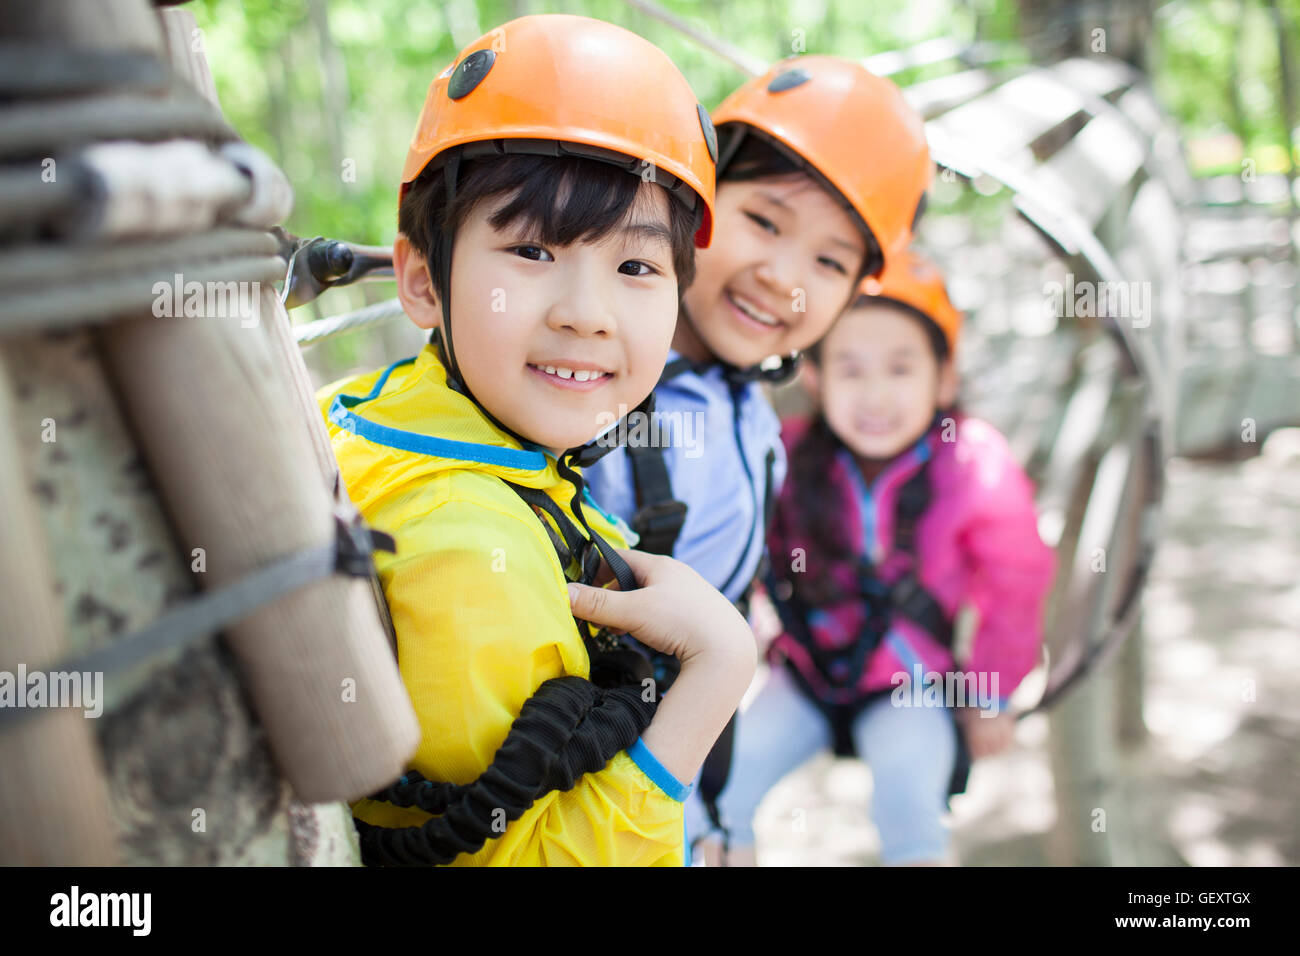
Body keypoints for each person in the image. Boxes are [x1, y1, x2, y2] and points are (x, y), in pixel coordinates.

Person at [316, 14, 755, 866]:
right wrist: (717, 672)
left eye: (635, 267)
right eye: (531, 251)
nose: (585, 314)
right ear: (421, 279)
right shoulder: (466, 540)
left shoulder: (380, 414)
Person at [580, 56, 933, 843]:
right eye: (764, 222)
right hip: (588, 798)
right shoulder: (593, 385)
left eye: (830, 262)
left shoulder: (748, 406)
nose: (783, 277)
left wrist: (710, 825)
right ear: (696, 203)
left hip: (683, 788)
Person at [714, 248, 1057, 866]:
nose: (875, 395)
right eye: (851, 369)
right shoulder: (787, 453)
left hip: (908, 686)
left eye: (901, 369)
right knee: (714, 794)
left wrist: (993, 692)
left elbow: (1016, 578)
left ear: (943, 379)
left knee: (910, 812)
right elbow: (748, 547)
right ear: (815, 379)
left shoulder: (972, 462)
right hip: (806, 672)